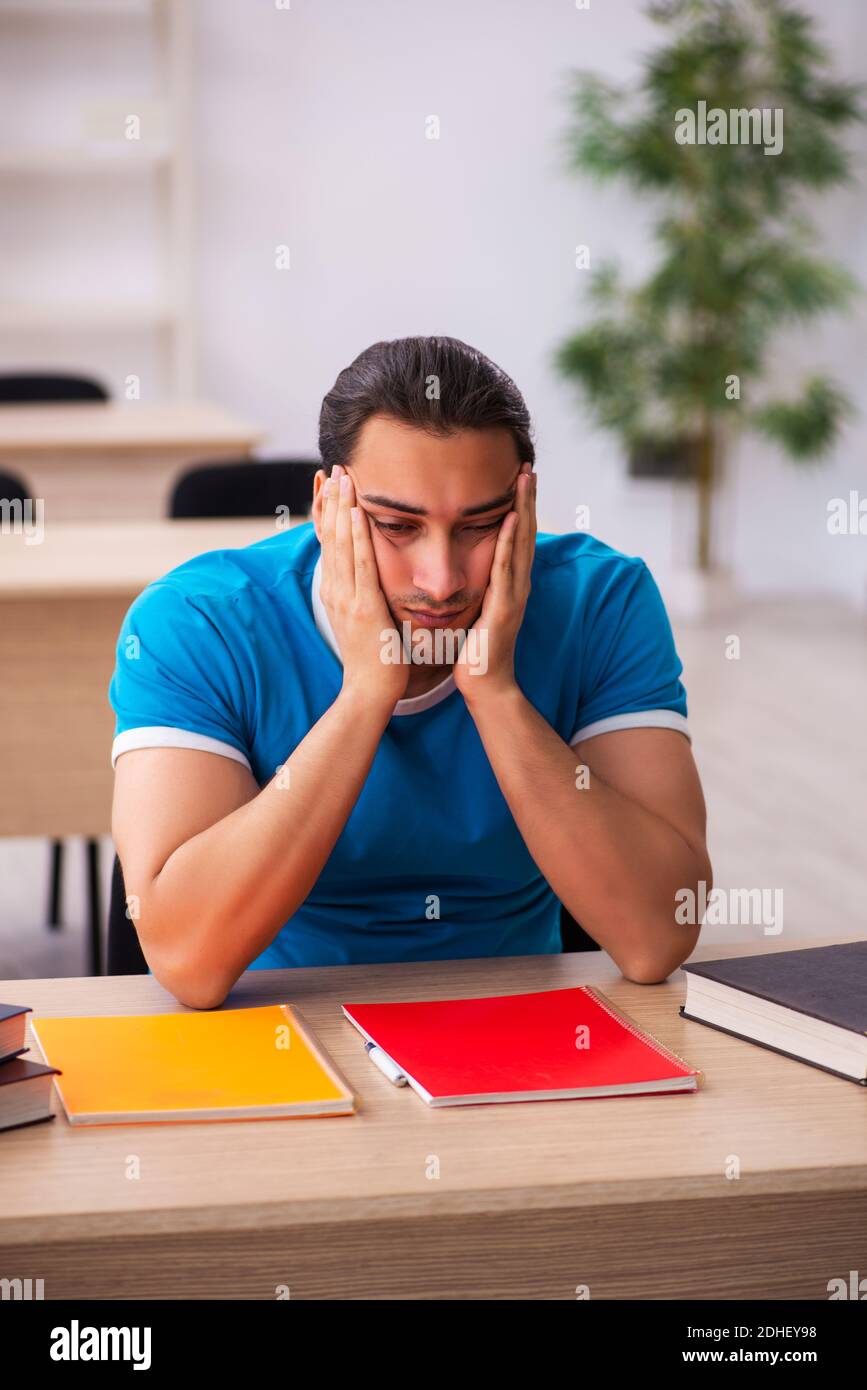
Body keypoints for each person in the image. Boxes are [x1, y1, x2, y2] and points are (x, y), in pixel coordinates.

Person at [109, 336, 711, 1008]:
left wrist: (495, 692)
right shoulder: (199, 621)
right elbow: (188, 959)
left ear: (524, 510)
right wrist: (368, 692)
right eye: (396, 525)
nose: (441, 579)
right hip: (278, 1023)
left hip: (518, 1027)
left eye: (480, 526)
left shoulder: (601, 602)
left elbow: (658, 937)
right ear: (326, 506)